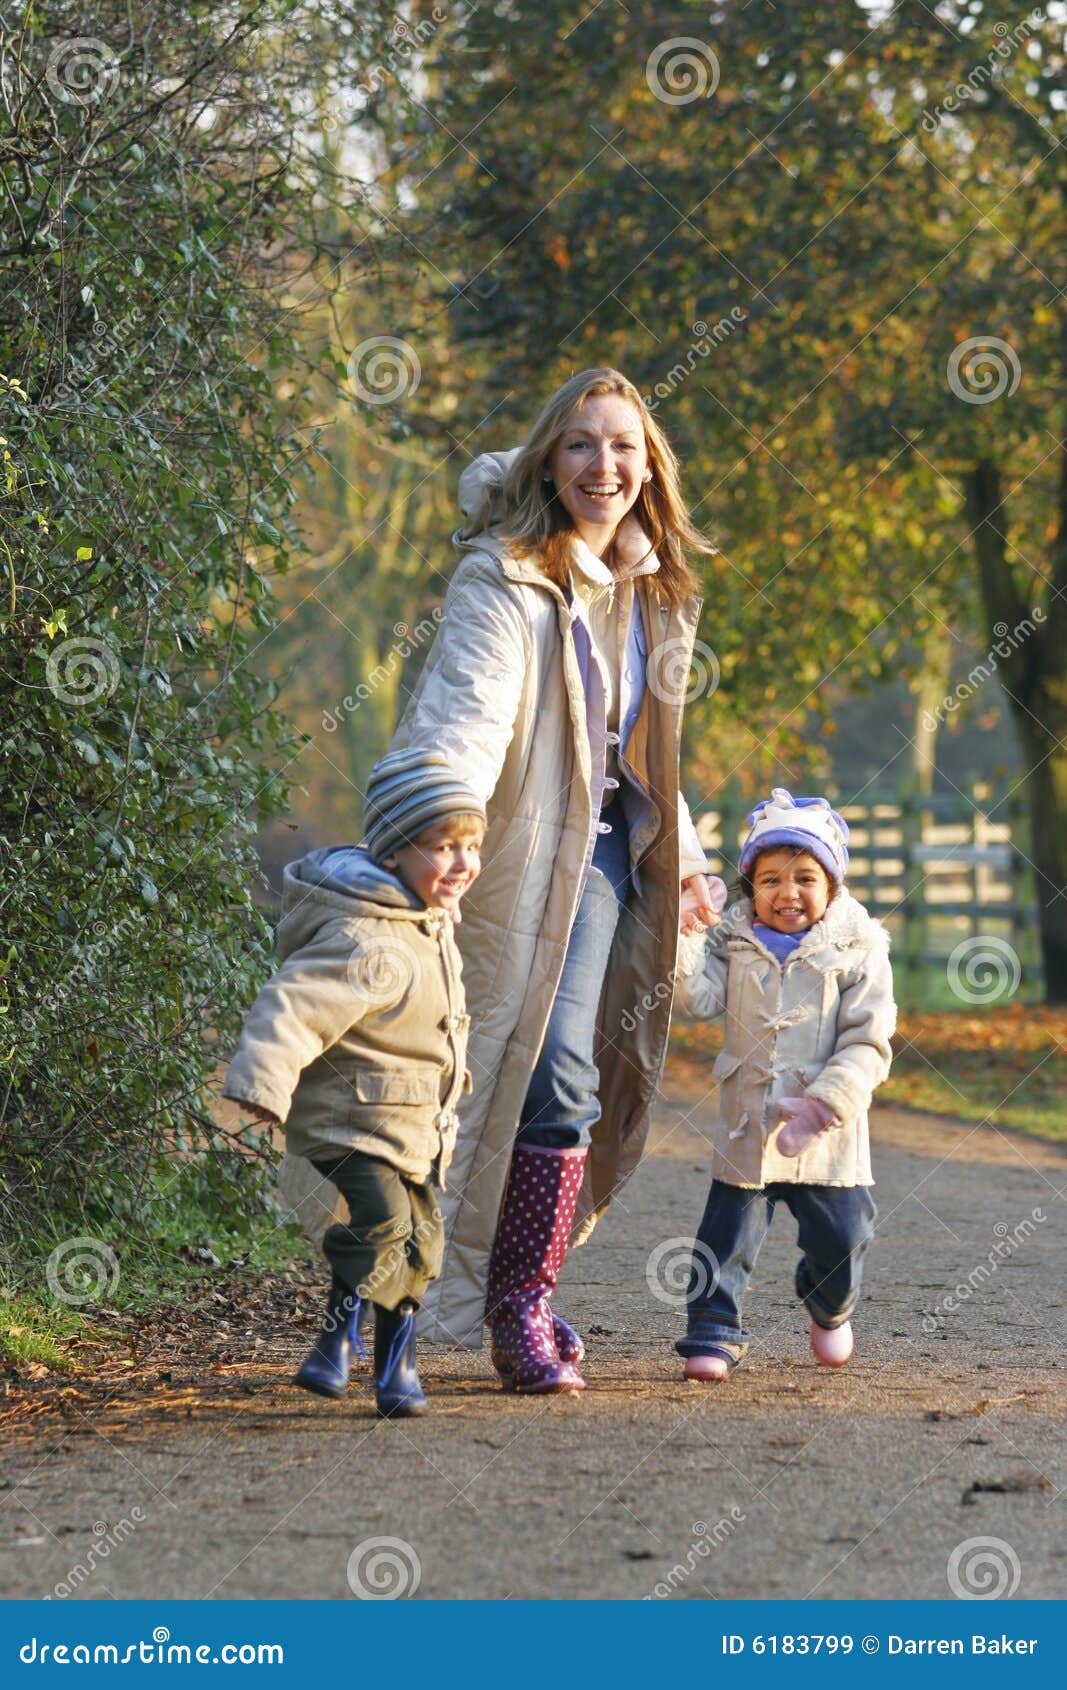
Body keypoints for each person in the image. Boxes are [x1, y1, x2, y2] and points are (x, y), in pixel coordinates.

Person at [386, 366, 727, 1392]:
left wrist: (695, 856)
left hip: (619, 856)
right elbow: (467, 707)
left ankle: (518, 1285)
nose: (603, 465)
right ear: (549, 458)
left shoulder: (653, 588)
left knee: (586, 1071)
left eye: (623, 446)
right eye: (582, 443)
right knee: (532, 1068)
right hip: (529, 852)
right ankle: (502, 1301)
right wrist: (437, 815)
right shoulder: (504, 577)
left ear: (647, 467)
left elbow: (649, 747)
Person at [221, 749, 486, 1417]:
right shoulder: (370, 939)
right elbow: (294, 1003)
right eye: (443, 847)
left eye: (470, 847)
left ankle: (390, 1368)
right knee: (388, 1222)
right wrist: (262, 1079)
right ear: (393, 854)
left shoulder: (420, 922)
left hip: (412, 1126)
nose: (461, 864)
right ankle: (336, 1341)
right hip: (349, 1118)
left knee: (424, 1244)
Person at [672, 788, 896, 1380]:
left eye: (804, 878)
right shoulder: (735, 944)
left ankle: (828, 1304)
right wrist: (687, 933)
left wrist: (828, 1102)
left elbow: (869, 1041)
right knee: (724, 1238)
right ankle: (712, 1331)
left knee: (845, 1236)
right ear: (750, 886)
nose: (787, 893)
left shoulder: (858, 951)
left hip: (825, 1133)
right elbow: (695, 998)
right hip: (751, 1123)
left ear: (832, 886)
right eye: (769, 879)